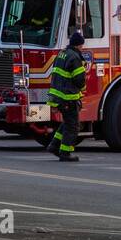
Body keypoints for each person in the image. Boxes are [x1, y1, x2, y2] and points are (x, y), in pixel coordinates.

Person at [48, 30, 87, 162]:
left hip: (58, 96)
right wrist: (82, 88)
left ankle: (54, 146)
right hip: (68, 97)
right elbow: (79, 80)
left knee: (67, 123)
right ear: (78, 45)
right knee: (73, 126)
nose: (83, 48)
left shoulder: (61, 54)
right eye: (82, 46)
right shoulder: (75, 58)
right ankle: (65, 152)